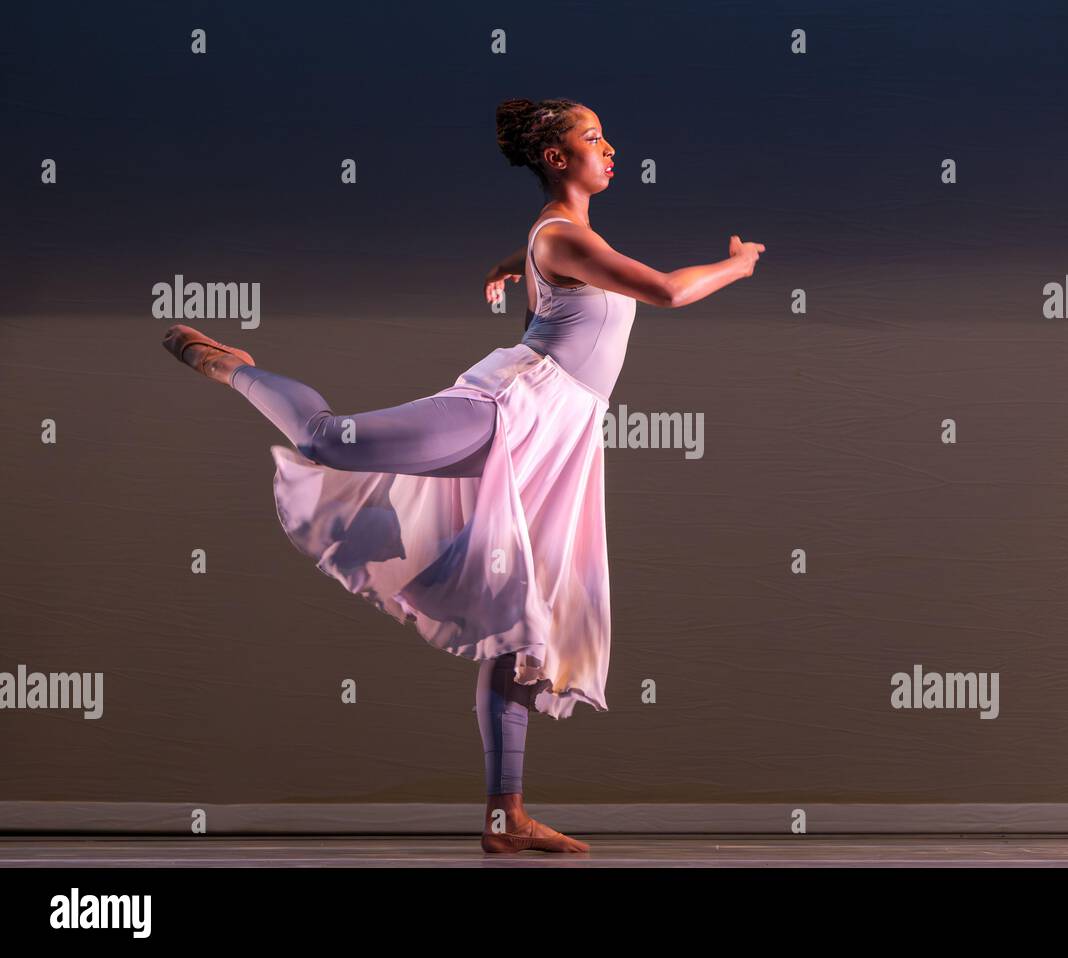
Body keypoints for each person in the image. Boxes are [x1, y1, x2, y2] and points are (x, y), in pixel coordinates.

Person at [160, 97, 764, 853]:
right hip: (510, 410)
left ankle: (504, 816)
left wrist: (510, 264)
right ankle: (235, 367)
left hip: (562, 442)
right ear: (556, 158)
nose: (610, 150)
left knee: (523, 623)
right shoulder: (565, 236)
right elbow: (670, 291)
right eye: (594, 138)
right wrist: (737, 264)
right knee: (329, 442)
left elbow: (551, 257)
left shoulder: (563, 236)